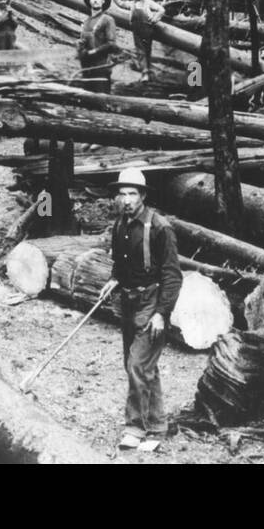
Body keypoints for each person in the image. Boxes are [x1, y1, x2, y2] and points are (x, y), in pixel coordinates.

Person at [102, 168, 182, 452]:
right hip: (127, 302)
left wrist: (162, 312)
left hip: (152, 302)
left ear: (143, 196)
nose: (126, 200)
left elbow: (173, 276)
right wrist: (113, 280)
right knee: (141, 366)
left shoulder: (160, 227)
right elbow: (120, 264)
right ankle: (157, 426)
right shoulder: (119, 225)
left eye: (132, 193)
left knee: (138, 364)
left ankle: (135, 428)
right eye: (121, 193)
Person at [77, 0, 120, 93]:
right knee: (87, 98)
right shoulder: (86, 22)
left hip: (101, 66)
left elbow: (111, 44)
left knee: (101, 99)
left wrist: (94, 52)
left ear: (103, 1)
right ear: (89, 1)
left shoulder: (108, 19)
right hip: (86, 66)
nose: (95, 0)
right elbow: (83, 41)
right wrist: (80, 48)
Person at [128, 0, 165, 81]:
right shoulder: (132, 4)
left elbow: (161, 10)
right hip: (136, 28)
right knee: (140, 51)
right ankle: (145, 73)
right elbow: (121, 4)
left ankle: (147, 73)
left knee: (147, 50)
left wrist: (154, 19)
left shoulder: (148, 2)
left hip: (147, 28)